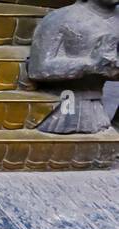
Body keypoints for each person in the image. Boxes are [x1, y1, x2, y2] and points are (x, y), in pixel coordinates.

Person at [26, 0, 119, 133]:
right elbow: (38, 68)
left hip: (97, 108)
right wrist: (89, 64)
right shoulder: (61, 18)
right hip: (62, 107)